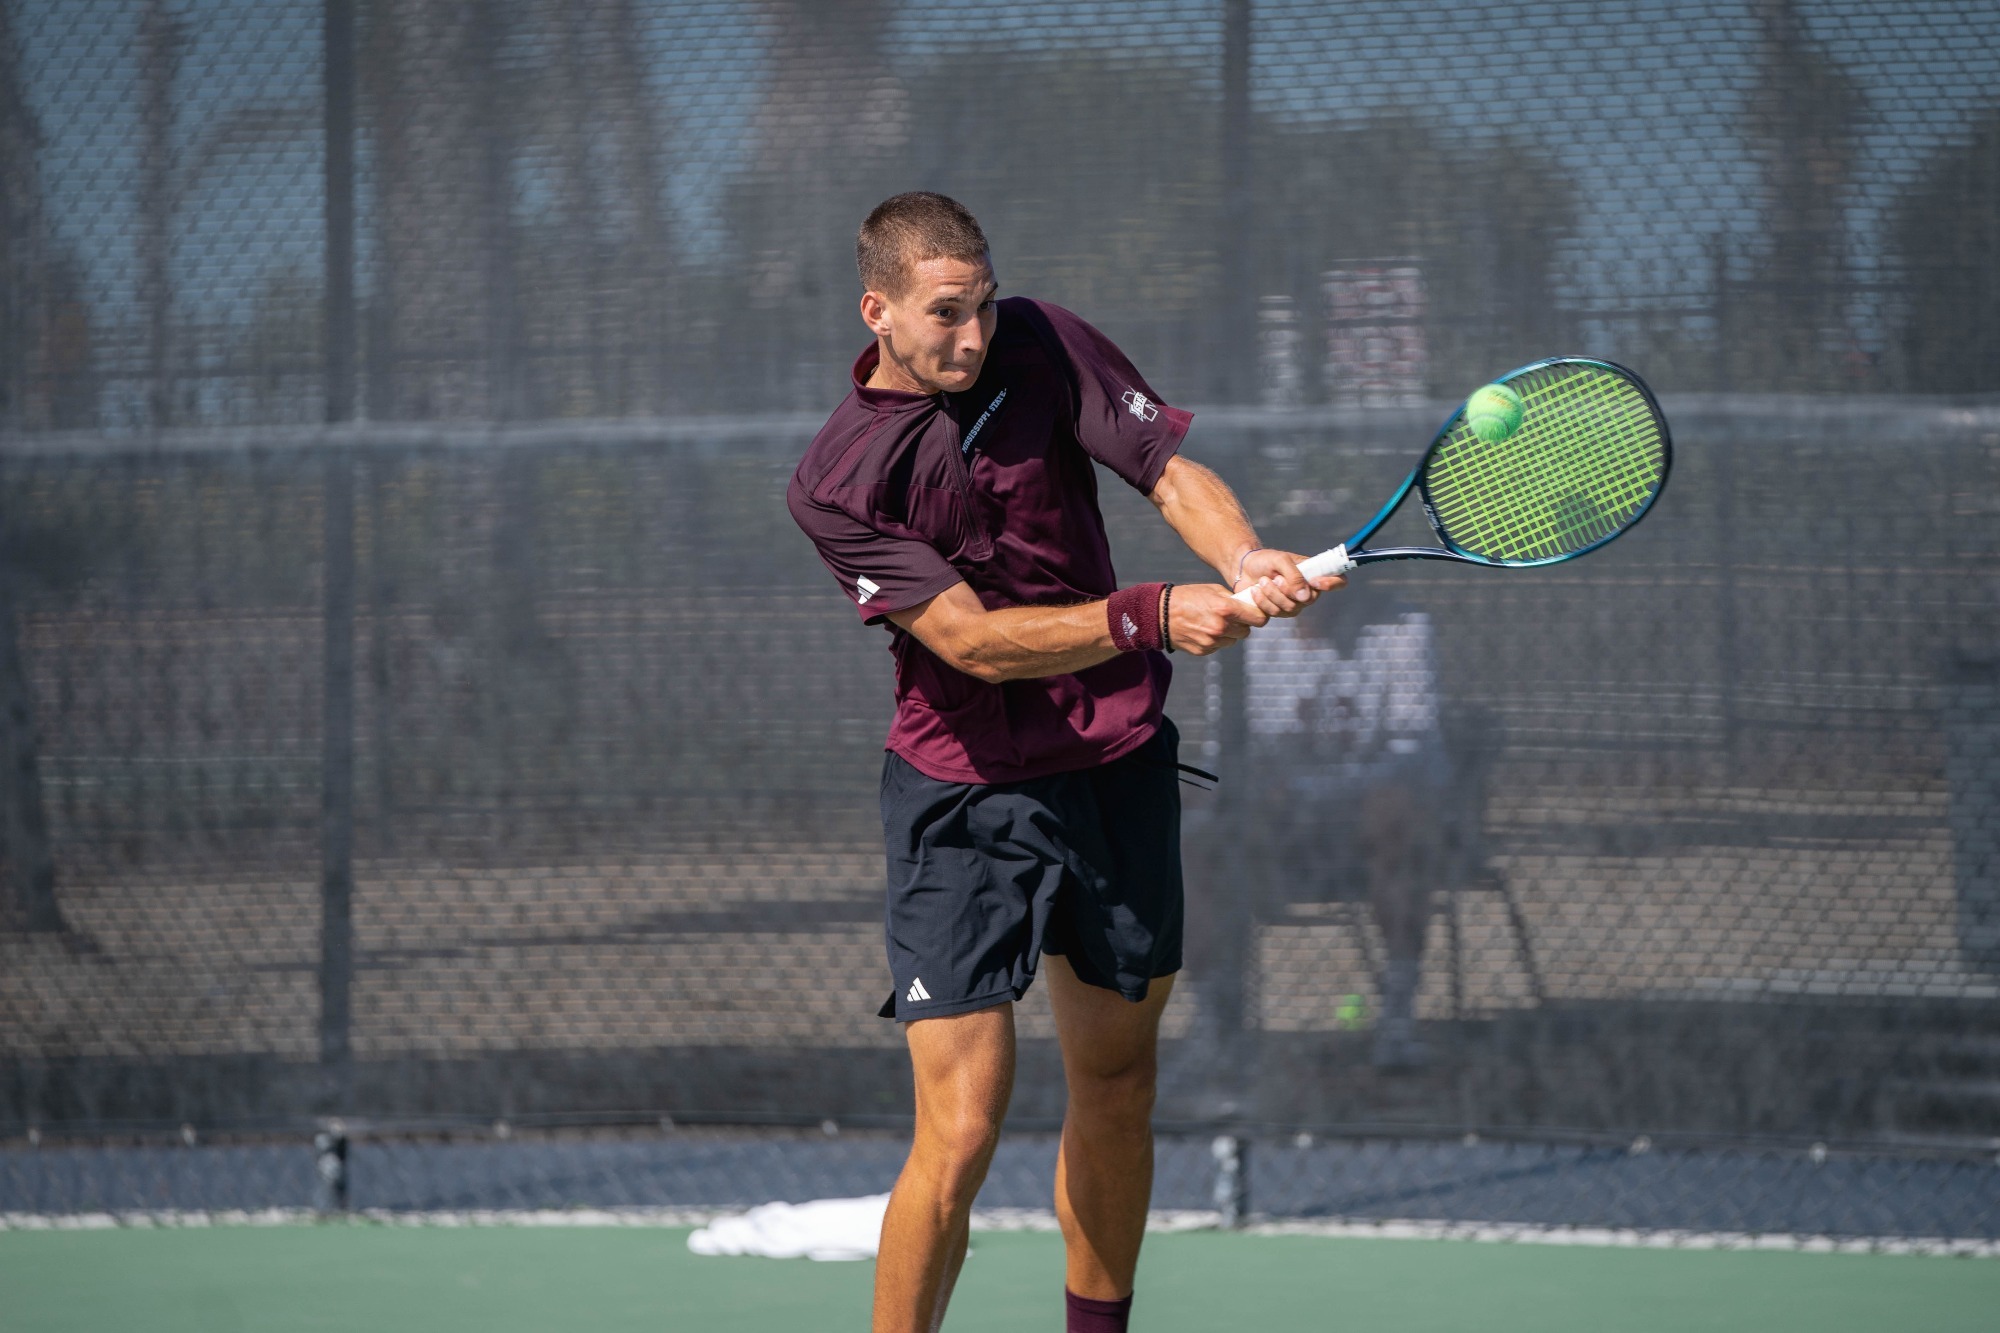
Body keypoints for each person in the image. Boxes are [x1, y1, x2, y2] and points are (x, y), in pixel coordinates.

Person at [787, 191, 1342, 1333]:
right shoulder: (835, 481)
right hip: (963, 796)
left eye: (983, 305)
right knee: (962, 1124)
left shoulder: (1041, 339)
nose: (975, 335)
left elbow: (1162, 469)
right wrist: (1150, 613)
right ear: (876, 311)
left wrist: (1239, 556)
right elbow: (969, 643)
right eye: (946, 313)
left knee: (1117, 1085)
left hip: (1114, 768)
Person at [1242, 579, 1451, 1069]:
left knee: (1397, 811)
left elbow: (1413, 754)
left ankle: (1396, 1024)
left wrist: (1320, 790)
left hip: (1371, 818)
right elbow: (1240, 756)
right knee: (1199, 827)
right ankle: (1217, 1032)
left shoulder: (1401, 628)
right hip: (1284, 826)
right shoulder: (1251, 632)